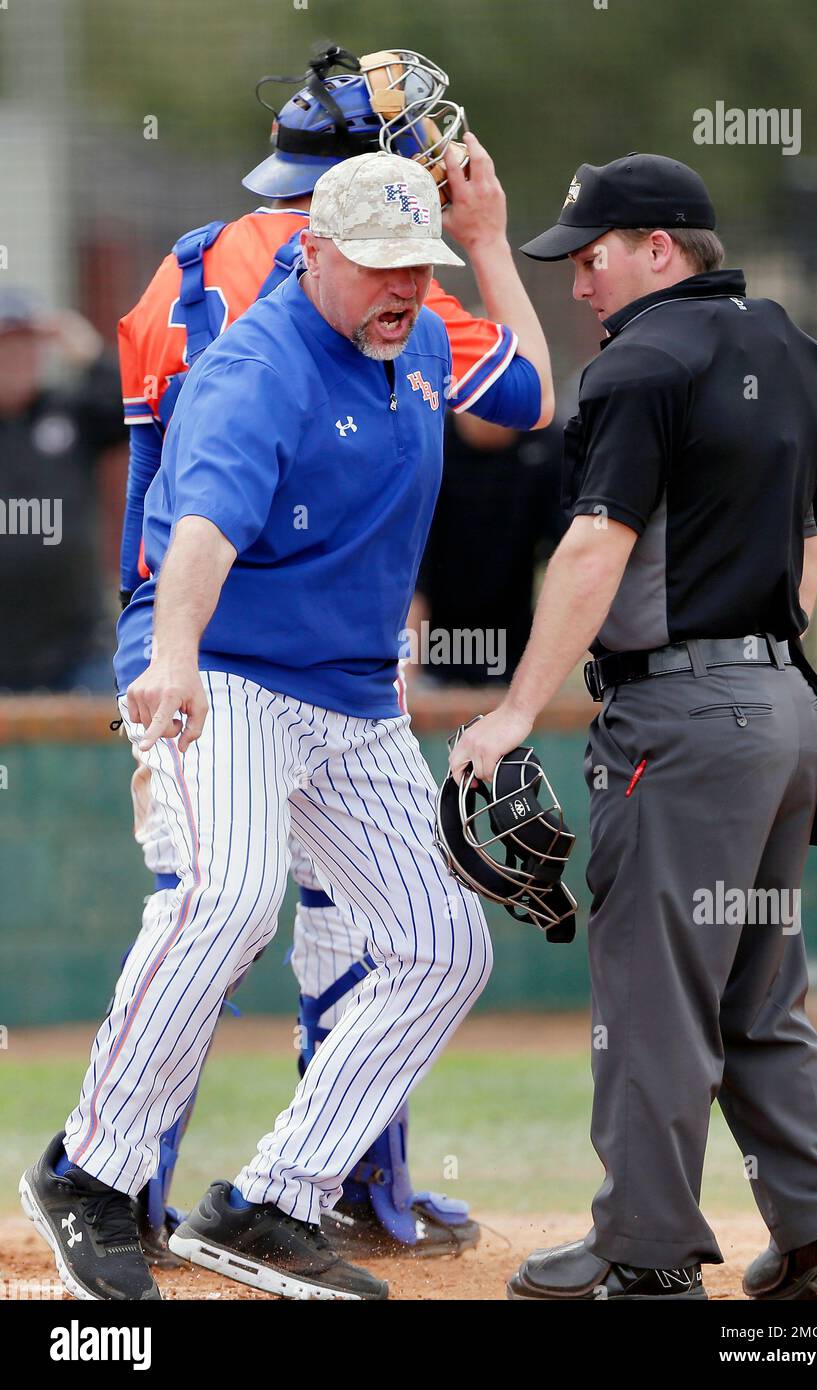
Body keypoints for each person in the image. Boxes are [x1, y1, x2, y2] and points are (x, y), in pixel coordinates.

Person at [20, 151, 508, 1303]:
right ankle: (88, 1170)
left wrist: (486, 241)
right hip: (223, 670)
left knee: (446, 946)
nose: (404, 287)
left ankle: (272, 1198)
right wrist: (175, 659)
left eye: (419, 266)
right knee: (225, 896)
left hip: (348, 695)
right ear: (315, 252)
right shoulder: (257, 367)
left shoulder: (422, 340)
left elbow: (525, 393)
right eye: (381, 265)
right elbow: (200, 531)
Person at [115, 45, 553, 1261]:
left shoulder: (186, 264)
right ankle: (353, 1190)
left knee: (199, 908)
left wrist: (163, 638)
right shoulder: (382, 272)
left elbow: (159, 466)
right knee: (341, 923)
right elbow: (522, 398)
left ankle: (139, 1198)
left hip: (179, 623)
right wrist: (489, 239)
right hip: (288, 645)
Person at [450, 153, 817, 1302]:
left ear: (659, 247)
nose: (577, 282)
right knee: (757, 987)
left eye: (589, 258)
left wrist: (510, 713)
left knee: (652, 994)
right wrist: (765, 648)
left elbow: (595, 547)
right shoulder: (789, 346)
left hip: (682, 725)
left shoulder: (638, 363)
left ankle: (641, 1254)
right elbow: (814, 531)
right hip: (786, 709)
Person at [0, 289, 124, 692]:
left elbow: (133, 409)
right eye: (7, 348)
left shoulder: (67, 412)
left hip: (78, 651)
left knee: (111, 749)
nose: (19, 359)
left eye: (27, 345)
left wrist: (89, 353)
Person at [408, 409, 567, 687]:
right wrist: (406, 686)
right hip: (430, 652)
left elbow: (572, 563)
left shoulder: (551, 445)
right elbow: (410, 575)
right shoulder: (428, 439)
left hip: (512, 655)